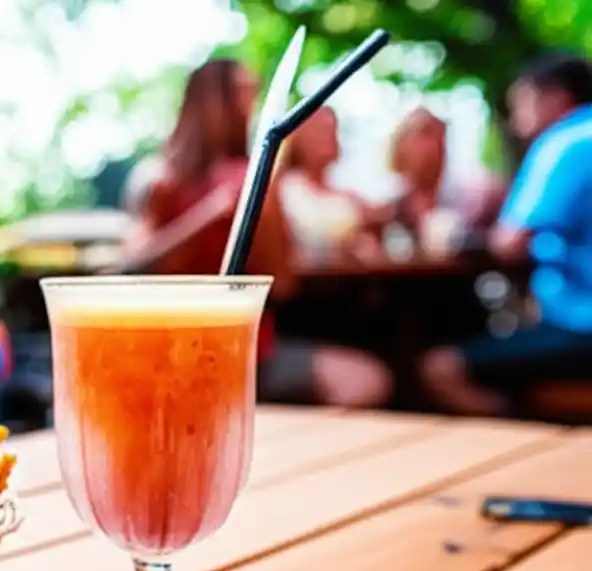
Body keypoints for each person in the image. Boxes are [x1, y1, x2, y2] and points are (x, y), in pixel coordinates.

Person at [128, 58, 392, 408]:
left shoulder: (248, 179)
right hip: (184, 351)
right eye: (243, 92)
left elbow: (282, 281)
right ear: (212, 99)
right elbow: (131, 266)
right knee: (364, 382)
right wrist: (210, 214)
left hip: (250, 347)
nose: (253, 103)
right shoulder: (160, 179)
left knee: (364, 378)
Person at [421, 55, 592, 415]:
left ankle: (524, 445)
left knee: (440, 367)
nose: (515, 119)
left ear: (554, 98)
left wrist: (456, 238)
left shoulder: (564, 143)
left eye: (520, 102)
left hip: (582, 328)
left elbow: (510, 244)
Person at [388, 108, 504, 256]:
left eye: (440, 138)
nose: (433, 148)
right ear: (401, 146)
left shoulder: (472, 198)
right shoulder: (388, 203)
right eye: (423, 136)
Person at [279, 107, 385, 264]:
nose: (327, 137)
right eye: (318, 130)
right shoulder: (286, 190)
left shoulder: (347, 186)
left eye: (331, 130)